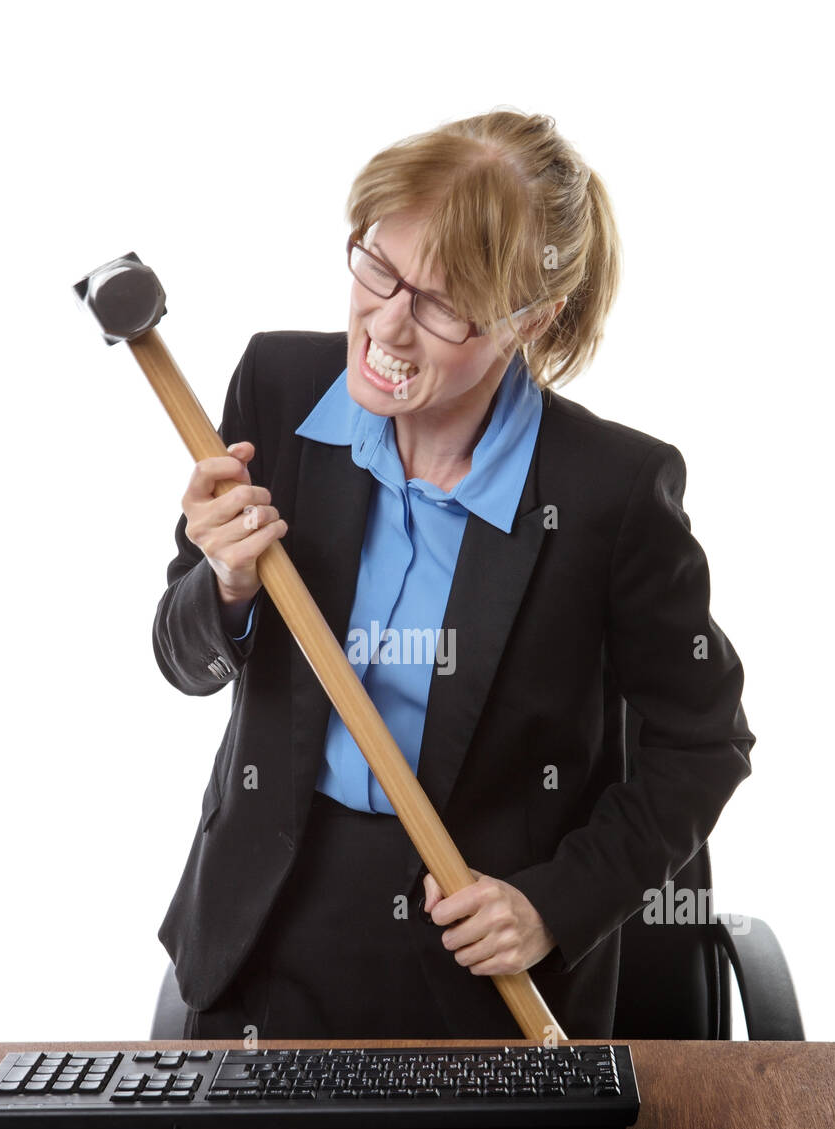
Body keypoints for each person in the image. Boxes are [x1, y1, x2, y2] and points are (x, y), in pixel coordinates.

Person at [152, 109, 755, 1043]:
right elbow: (181, 655)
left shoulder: (611, 493)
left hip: (478, 964)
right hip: (260, 926)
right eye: (379, 269)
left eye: (442, 303)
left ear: (533, 319)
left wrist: (553, 905)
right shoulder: (276, 385)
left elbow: (704, 744)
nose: (388, 323)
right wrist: (223, 585)